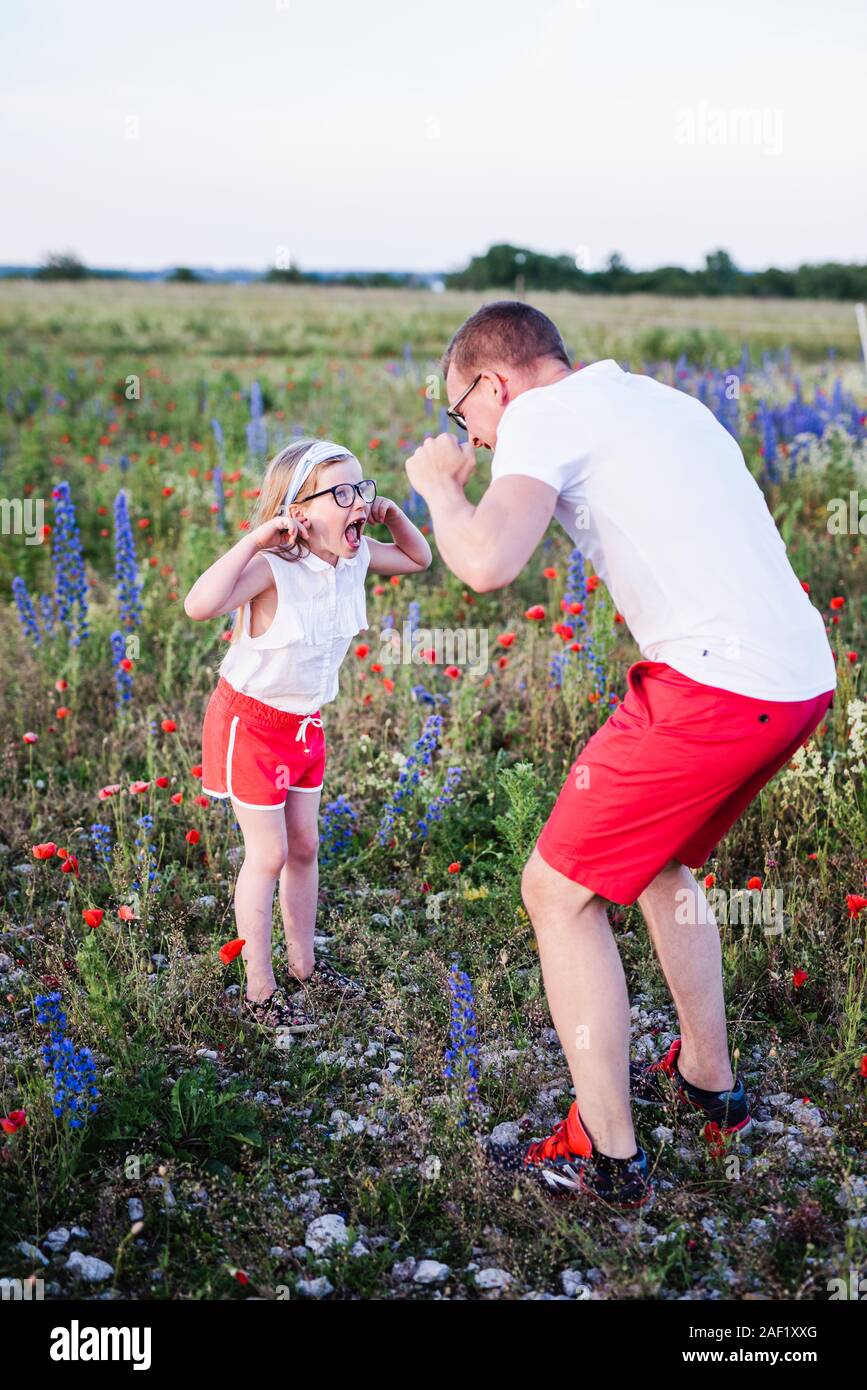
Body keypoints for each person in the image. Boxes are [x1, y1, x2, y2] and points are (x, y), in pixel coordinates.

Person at [405, 301, 836, 1208]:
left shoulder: (541, 416)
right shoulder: (663, 402)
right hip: (794, 678)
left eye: (463, 415)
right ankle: (709, 1086)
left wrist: (440, 487)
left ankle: (607, 1154)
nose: (471, 437)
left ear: (496, 382)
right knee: (658, 864)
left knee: (554, 894)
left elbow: (485, 565)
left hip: (713, 686)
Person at [185, 437, 432, 1035]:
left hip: (305, 724)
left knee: (304, 847)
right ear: (299, 513)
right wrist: (255, 539)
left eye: (362, 488)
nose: (358, 502)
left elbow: (419, 558)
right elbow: (199, 605)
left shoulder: (356, 558)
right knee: (267, 853)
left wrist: (392, 513)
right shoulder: (273, 570)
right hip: (253, 723)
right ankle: (258, 987)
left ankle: (304, 967)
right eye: (341, 493)